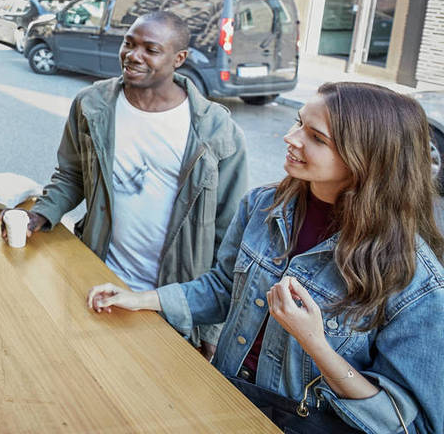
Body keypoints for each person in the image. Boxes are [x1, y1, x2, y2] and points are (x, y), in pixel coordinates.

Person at [88, 83, 444, 433]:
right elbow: (224, 289)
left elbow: (401, 421)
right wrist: (141, 298)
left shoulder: (414, 278)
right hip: (226, 398)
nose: (291, 138)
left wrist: (315, 343)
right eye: (298, 122)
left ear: (367, 159)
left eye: (317, 138)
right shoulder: (262, 205)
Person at [12, 10, 248, 349]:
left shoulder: (217, 130)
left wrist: (209, 329)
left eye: (150, 50)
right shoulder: (92, 105)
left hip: (170, 301)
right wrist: (40, 214)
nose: (133, 55)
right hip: (98, 280)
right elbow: (72, 174)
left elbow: (230, 238)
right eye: (129, 43)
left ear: (178, 58)